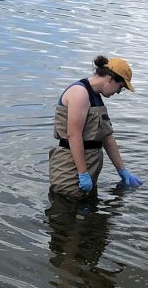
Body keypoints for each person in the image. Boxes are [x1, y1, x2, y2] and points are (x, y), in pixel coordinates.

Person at [49, 55, 142, 197]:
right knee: (66, 212)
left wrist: (122, 171)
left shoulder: (96, 97)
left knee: (87, 213)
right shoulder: (80, 93)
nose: (118, 92)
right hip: (70, 171)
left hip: (89, 170)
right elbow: (73, 135)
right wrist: (82, 173)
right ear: (110, 79)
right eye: (120, 87)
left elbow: (107, 136)